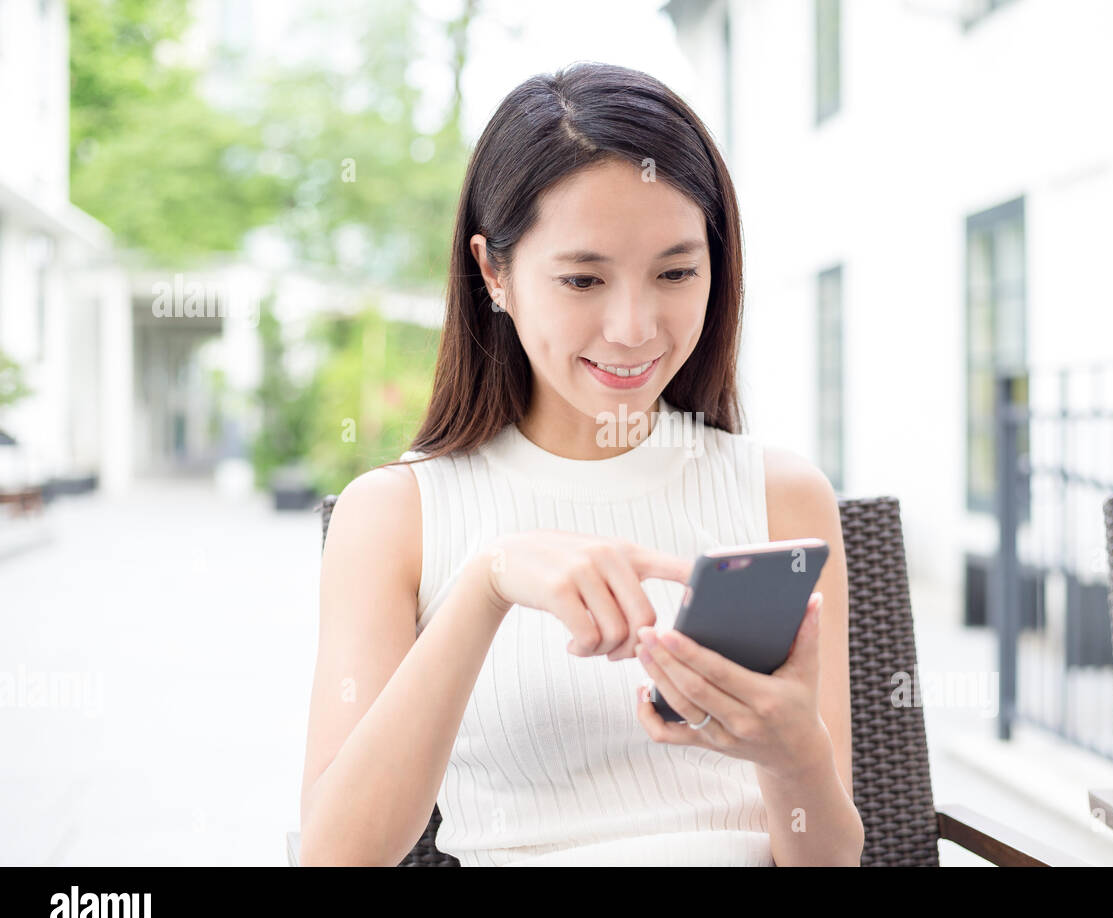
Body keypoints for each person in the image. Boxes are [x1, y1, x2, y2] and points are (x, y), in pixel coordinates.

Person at [298, 61, 862, 866]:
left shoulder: (782, 495)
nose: (634, 327)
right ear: (493, 273)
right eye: (583, 279)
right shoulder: (396, 514)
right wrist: (486, 583)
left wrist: (792, 754)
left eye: (676, 272)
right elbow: (338, 857)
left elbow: (829, 860)